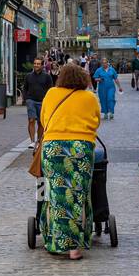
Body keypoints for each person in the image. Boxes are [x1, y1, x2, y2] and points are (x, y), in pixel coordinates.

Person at [38, 63, 102, 260]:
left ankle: (55, 243)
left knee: (55, 195)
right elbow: (96, 120)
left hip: (53, 146)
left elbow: (43, 119)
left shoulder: (51, 94)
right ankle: (75, 248)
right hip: (80, 147)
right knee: (79, 196)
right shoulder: (90, 97)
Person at [22, 57, 55, 150]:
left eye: (38, 64)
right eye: (35, 63)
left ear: (42, 65)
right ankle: (32, 141)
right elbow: (25, 87)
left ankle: (39, 141)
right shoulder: (28, 76)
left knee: (41, 123)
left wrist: (48, 100)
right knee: (31, 120)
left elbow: (50, 89)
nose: (36, 65)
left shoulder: (47, 77)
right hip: (31, 100)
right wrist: (26, 98)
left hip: (42, 101)